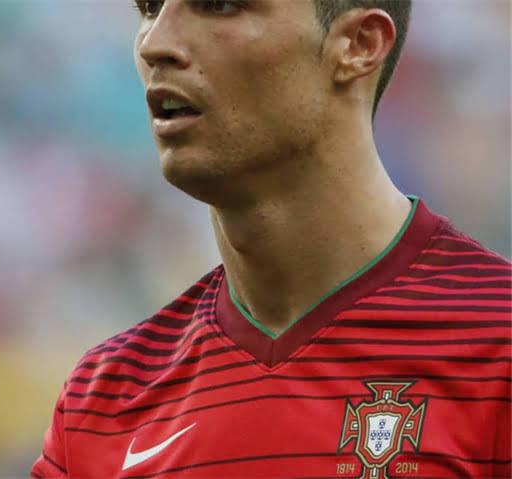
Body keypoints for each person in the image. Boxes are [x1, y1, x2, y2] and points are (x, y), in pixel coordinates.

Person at [31, 1, 511, 478]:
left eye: (218, 6)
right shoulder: (100, 403)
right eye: (150, 8)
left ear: (358, 44)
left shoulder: (497, 344)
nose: (155, 44)